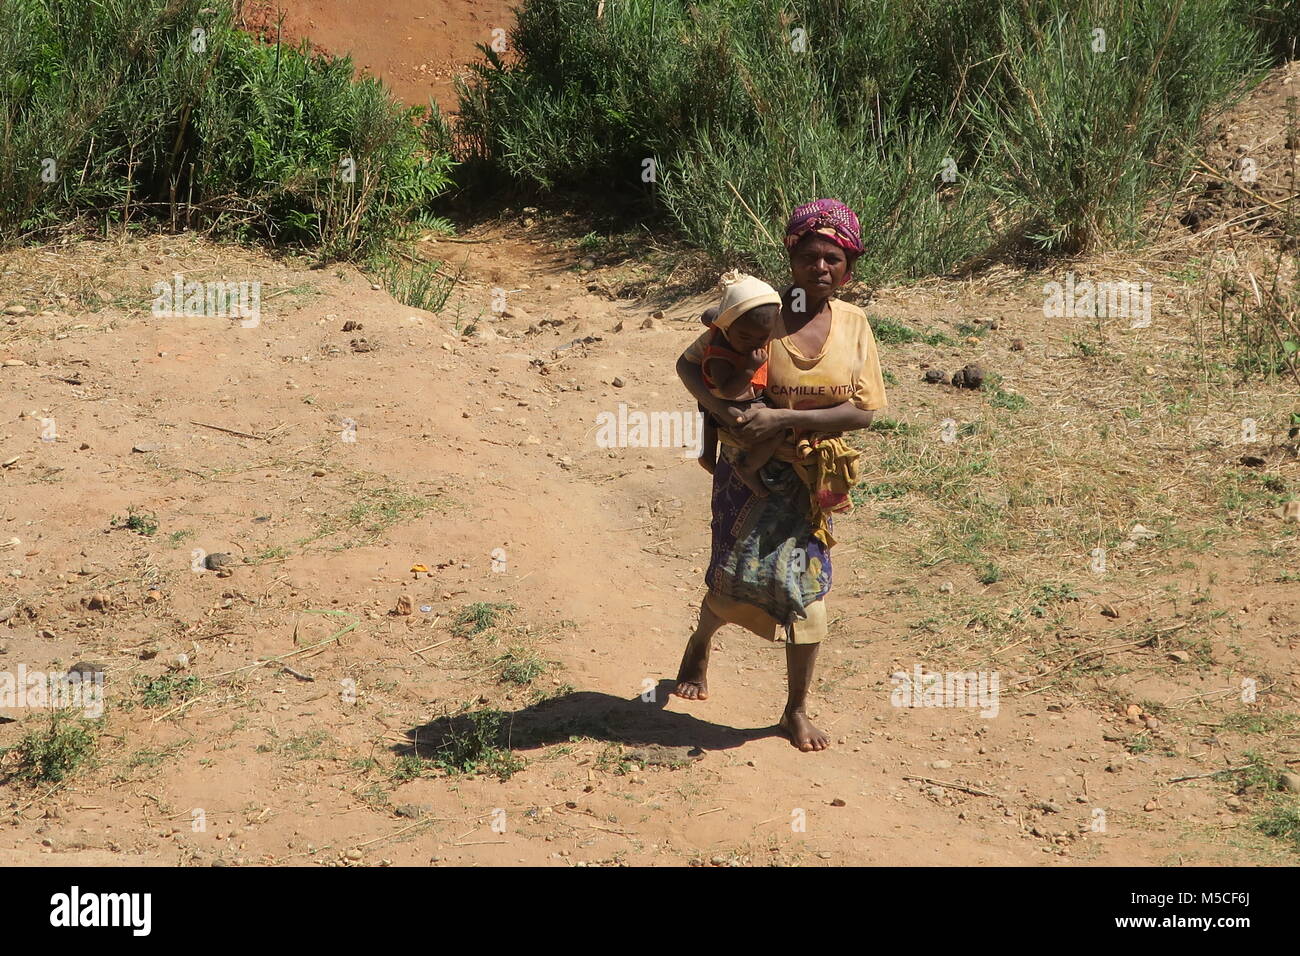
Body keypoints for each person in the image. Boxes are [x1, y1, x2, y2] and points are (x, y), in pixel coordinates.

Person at [672, 198, 888, 751]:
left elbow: (863, 413)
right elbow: (689, 364)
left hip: (810, 480)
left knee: (807, 594)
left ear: (850, 266)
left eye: (834, 259)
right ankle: (700, 644)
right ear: (791, 258)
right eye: (810, 256)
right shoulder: (760, 313)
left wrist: (783, 418)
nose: (821, 268)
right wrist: (724, 413)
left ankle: (795, 710)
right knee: (732, 581)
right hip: (746, 475)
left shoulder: (854, 324)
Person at [693, 272, 801, 498]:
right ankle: (748, 468)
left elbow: (709, 315)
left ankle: (707, 453)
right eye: (745, 337)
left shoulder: (736, 329)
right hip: (730, 402)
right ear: (726, 326)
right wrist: (749, 369)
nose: (752, 344)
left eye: (761, 338)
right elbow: (727, 390)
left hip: (738, 399)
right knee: (776, 430)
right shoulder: (720, 356)